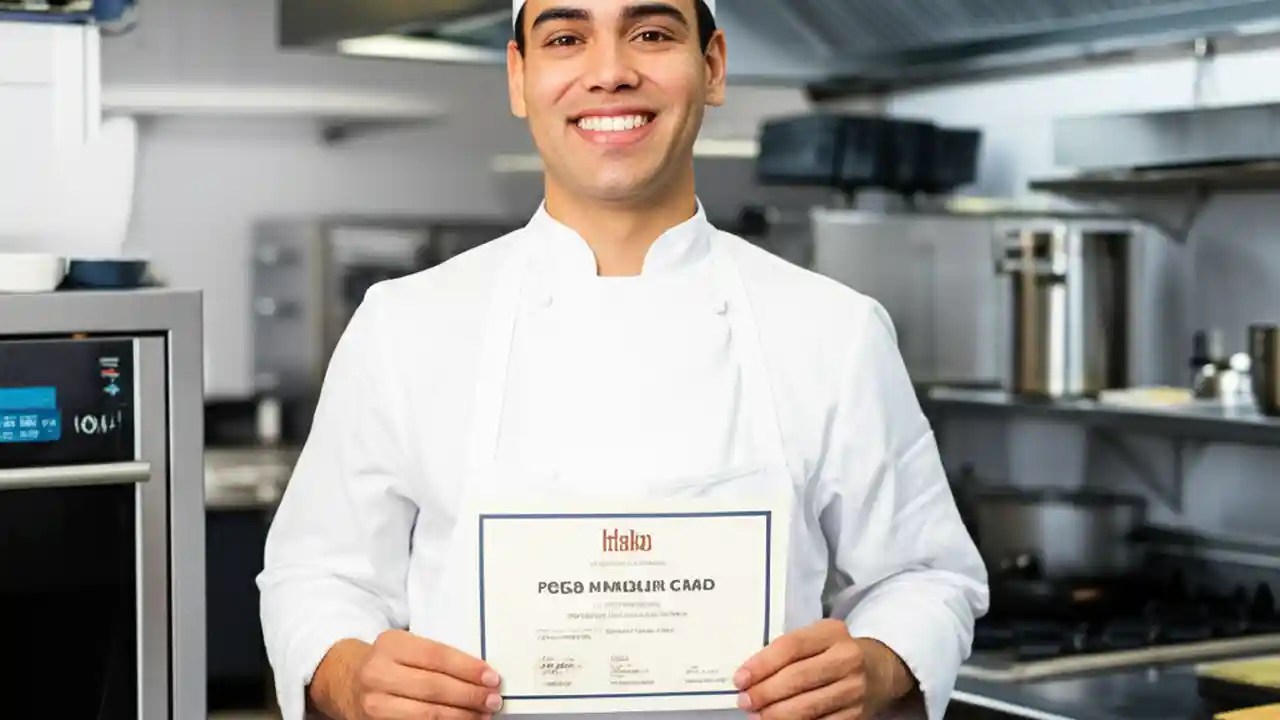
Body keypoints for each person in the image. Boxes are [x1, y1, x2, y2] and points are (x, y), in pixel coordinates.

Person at [257, 0, 989, 718]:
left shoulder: (834, 330)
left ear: (712, 66)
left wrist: (877, 662)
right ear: (518, 77)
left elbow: (928, 576)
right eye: (567, 36)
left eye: (649, 32)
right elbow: (313, 575)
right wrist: (351, 675)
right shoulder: (404, 325)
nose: (609, 72)